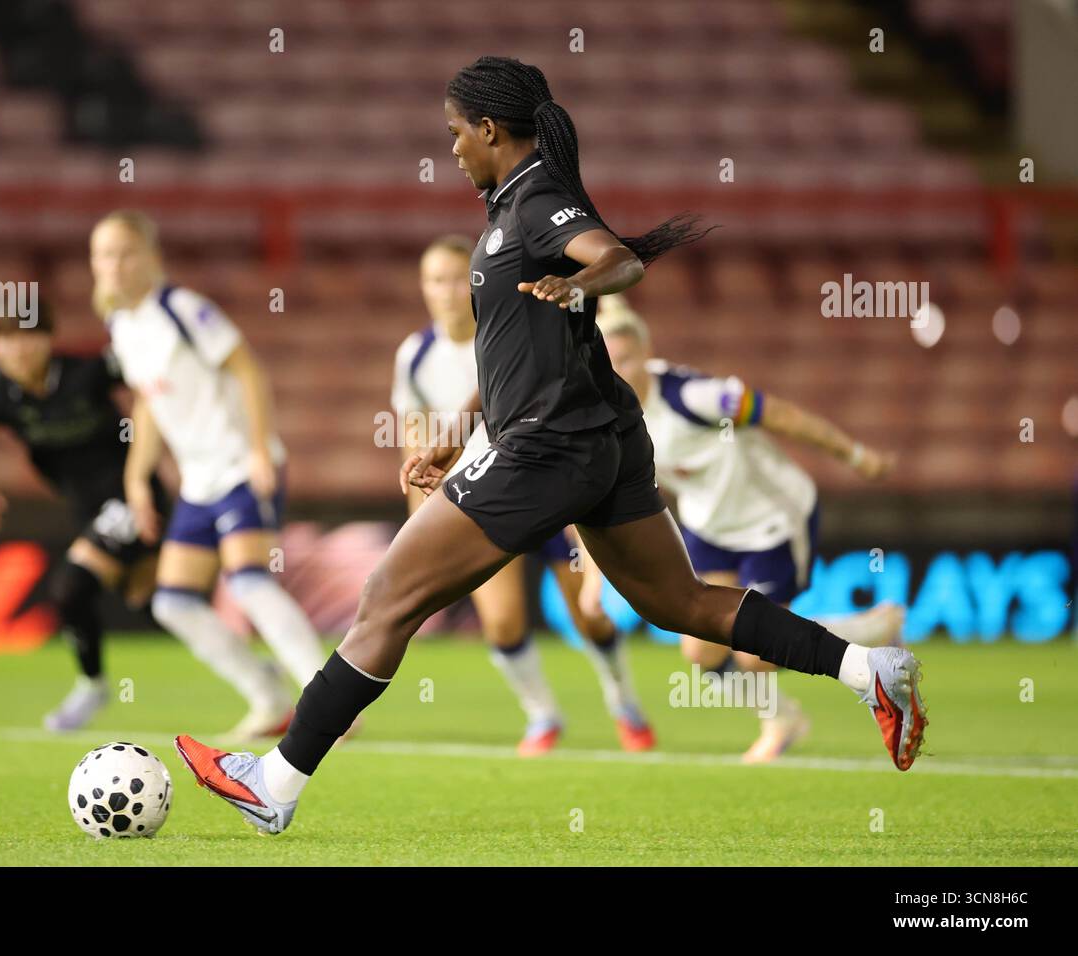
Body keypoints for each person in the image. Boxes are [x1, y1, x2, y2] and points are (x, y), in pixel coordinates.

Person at [175, 56, 928, 835]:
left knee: (383, 602)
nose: (453, 149)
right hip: (598, 442)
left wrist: (580, 285)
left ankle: (276, 784)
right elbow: (512, 349)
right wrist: (457, 435)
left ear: (491, 129)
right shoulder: (509, 208)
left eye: (456, 134)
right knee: (681, 603)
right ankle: (867, 668)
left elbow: (620, 260)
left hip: (548, 450)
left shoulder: (537, 200)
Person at [582, 295, 905, 762]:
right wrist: (593, 580)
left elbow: (782, 415)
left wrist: (854, 455)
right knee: (700, 652)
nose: (619, 369)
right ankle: (781, 719)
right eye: (608, 361)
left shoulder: (694, 397)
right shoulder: (610, 418)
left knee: (757, 652)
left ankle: (877, 628)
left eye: (628, 357)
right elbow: (598, 500)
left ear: (646, 352)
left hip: (772, 518)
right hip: (710, 527)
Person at [394, 235, 652, 755]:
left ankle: (623, 701)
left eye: (454, 278)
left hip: (549, 478)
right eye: (434, 280)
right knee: (503, 622)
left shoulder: (510, 331)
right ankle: (542, 715)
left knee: (589, 614)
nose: (444, 291)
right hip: (480, 499)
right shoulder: (415, 354)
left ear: (474, 281)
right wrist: (417, 517)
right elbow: (415, 433)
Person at [90, 210, 327, 739]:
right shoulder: (123, 328)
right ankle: (269, 698)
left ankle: (329, 699)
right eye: (103, 254)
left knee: (247, 581)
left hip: (241, 465)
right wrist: (136, 479)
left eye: (125, 251)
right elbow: (150, 405)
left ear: (150, 257)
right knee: (173, 602)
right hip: (199, 481)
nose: (114, 264)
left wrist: (261, 449)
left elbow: (247, 369)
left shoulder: (182, 310)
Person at [0, 304, 161, 730]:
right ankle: (259, 673)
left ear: (48, 339)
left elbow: (151, 381)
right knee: (159, 603)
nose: (17, 348)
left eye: (27, 336)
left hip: (133, 497)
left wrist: (140, 473)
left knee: (71, 586)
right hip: (87, 510)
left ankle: (92, 687)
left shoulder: (88, 372)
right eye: (4, 338)